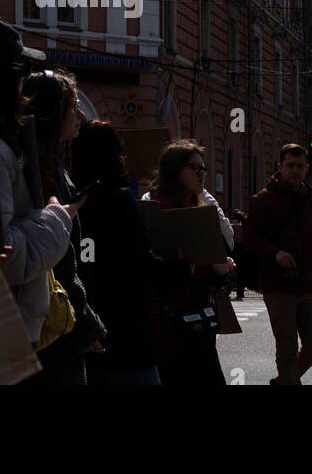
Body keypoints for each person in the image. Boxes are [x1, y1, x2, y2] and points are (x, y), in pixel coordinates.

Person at [0, 20, 74, 354]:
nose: (23, 91)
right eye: (20, 76)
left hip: (14, 324)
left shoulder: (7, 145)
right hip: (7, 329)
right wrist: (58, 217)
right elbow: (3, 254)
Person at [20, 69, 105, 384]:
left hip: (56, 317)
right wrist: (85, 323)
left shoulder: (52, 163)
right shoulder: (39, 168)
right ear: (54, 113)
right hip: (52, 323)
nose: (80, 114)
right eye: (72, 106)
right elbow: (63, 261)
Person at [72, 119, 164, 385]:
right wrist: (180, 268)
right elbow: (141, 261)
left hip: (86, 327)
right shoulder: (120, 199)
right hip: (127, 330)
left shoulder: (70, 199)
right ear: (113, 155)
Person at [242, 144, 312, 385]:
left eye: (300, 166)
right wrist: (275, 252)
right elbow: (249, 240)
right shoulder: (262, 200)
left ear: (306, 168)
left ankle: (284, 381)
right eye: (290, 166)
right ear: (279, 167)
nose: (295, 171)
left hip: (307, 284)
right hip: (277, 285)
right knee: (287, 345)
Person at [146, 139, 234, 385]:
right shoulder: (159, 207)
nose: (201, 174)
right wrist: (195, 264)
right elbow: (158, 266)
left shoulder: (199, 206)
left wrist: (220, 266)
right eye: (194, 168)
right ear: (175, 170)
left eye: (202, 168)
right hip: (171, 320)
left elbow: (211, 263)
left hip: (199, 316)